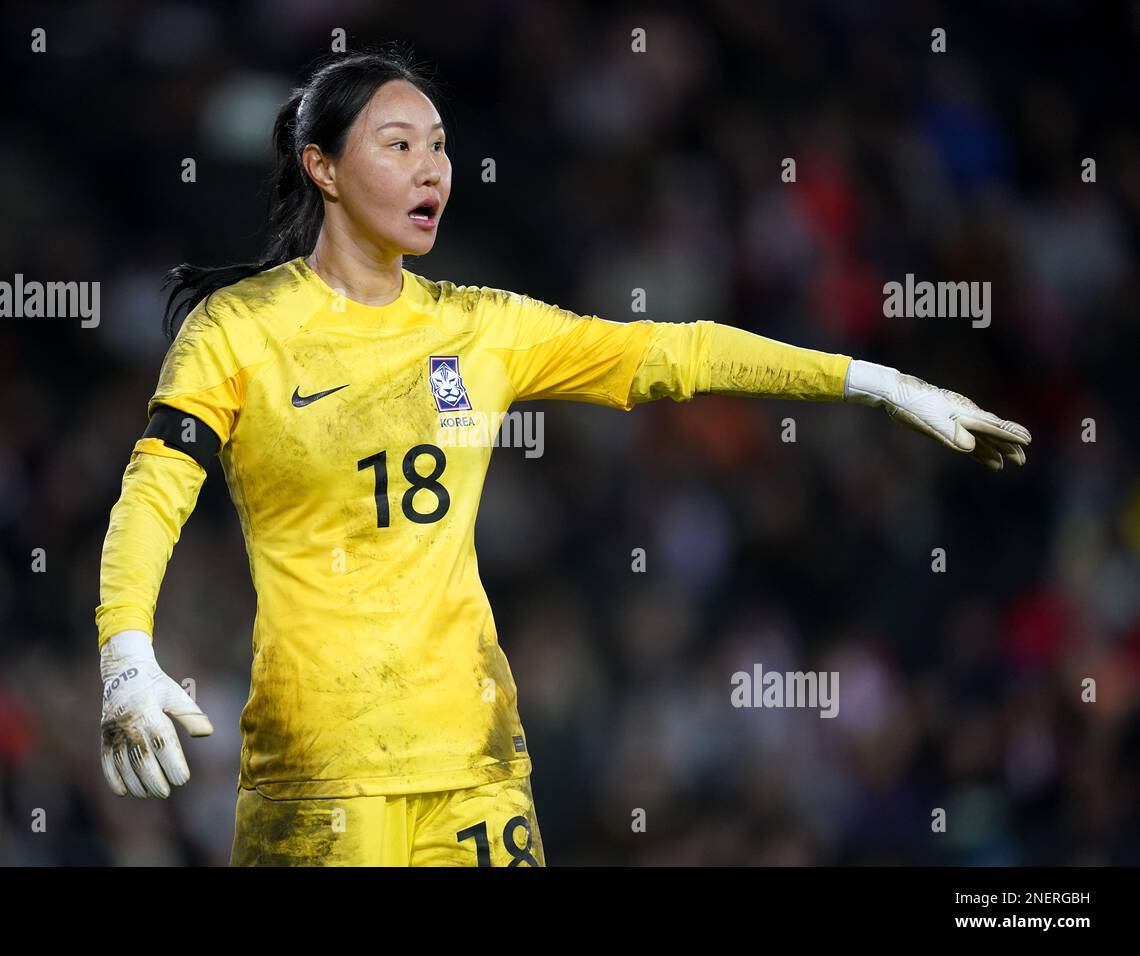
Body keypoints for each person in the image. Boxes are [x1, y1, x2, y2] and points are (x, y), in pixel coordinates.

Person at [94, 48, 1031, 867]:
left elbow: (675, 353)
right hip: (319, 770)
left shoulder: (482, 327)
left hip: (476, 764)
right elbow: (154, 490)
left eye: (441, 145)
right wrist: (127, 651)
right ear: (323, 168)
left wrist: (875, 382)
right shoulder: (241, 328)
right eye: (399, 144)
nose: (434, 169)